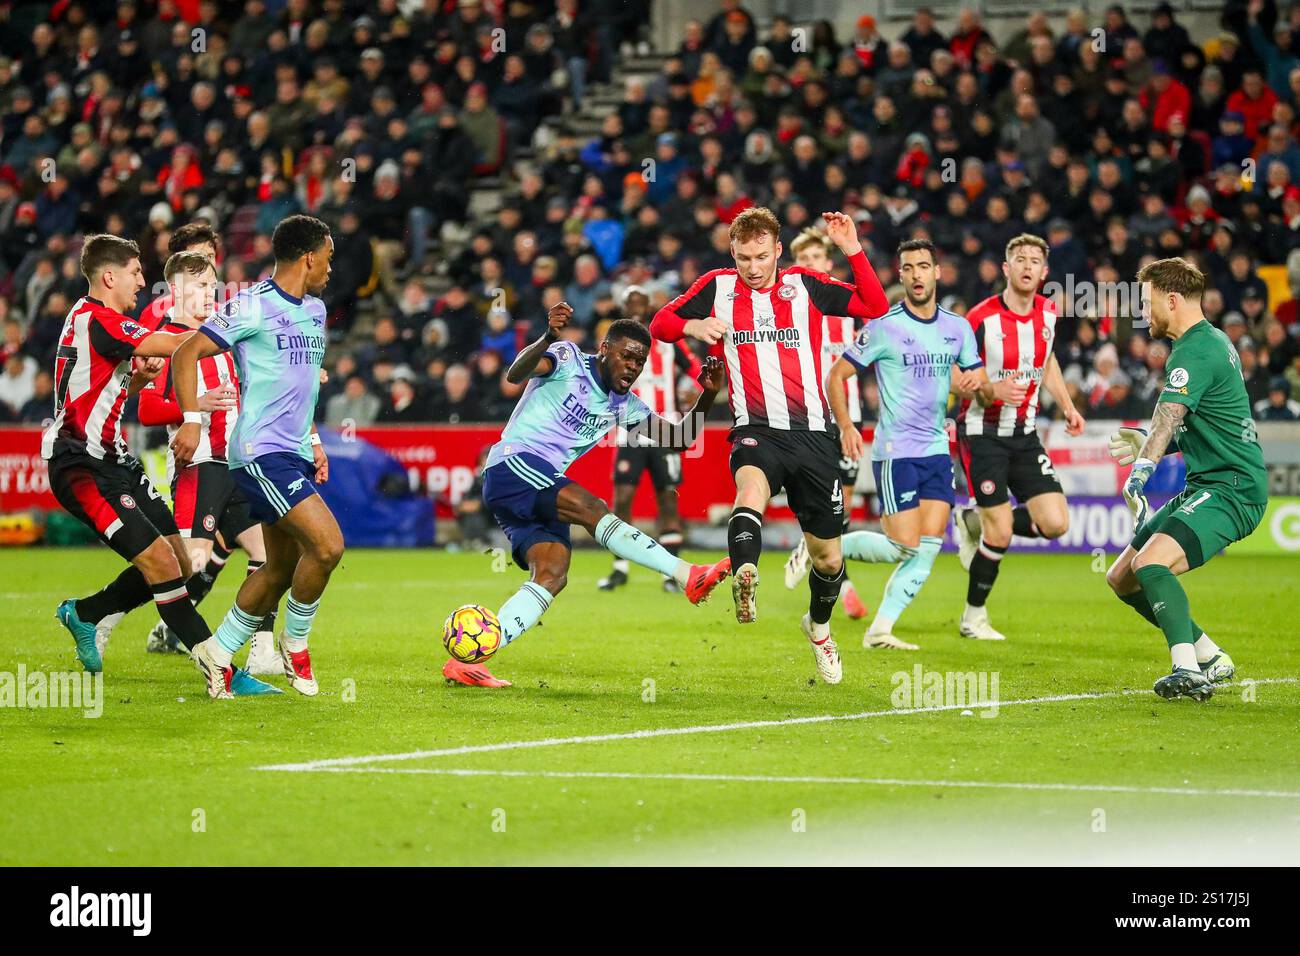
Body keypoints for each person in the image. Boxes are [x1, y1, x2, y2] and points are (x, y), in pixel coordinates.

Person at [651, 207, 891, 684]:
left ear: (779, 250)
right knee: (750, 491)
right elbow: (660, 324)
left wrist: (852, 249)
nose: (754, 267)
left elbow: (875, 305)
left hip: (815, 434)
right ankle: (746, 575)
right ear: (732, 254)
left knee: (828, 557)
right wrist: (694, 328)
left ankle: (819, 629)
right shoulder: (717, 287)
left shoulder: (805, 284)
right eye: (744, 258)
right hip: (755, 429)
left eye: (762, 256)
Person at [459, 303, 732, 688]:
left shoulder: (625, 405)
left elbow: (680, 438)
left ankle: (475, 655)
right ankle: (687, 574)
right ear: (604, 349)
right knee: (593, 508)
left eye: (640, 361)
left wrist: (707, 396)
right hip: (512, 466)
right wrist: (549, 337)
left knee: (553, 573)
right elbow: (515, 373)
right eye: (626, 356)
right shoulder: (567, 358)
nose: (633, 367)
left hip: (539, 483)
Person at [170, 215, 339, 700]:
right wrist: (191, 419)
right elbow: (186, 354)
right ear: (309, 256)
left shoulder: (317, 311)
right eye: (328, 256)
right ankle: (296, 641)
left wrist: (313, 442)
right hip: (259, 452)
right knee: (328, 547)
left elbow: (300, 385)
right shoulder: (252, 305)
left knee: (278, 571)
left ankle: (218, 655)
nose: (331, 267)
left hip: (293, 453)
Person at [45, 235, 222, 680]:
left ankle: (86, 612)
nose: (144, 282)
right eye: (136, 272)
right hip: (81, 466)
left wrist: (138, 380)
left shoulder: (91, 322)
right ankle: (219, 667)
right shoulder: (101, 319)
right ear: (109, 277)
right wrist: (243, 332)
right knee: (162, 563)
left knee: (183, 561)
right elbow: (178, 345)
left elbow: (111, 392)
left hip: (115, 461)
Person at [824, 239, 1016, 649]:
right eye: (908, 268)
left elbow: (980, 391)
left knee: (927, 548)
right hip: (896, 452)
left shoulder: (957, 328)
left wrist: (978, 387)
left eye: (923, 266)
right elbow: (835, 376)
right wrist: (846, 426)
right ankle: (821, 546)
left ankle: (879, 631)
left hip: (934, 449)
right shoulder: (884, 327)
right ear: (901, 275)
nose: (916, 275)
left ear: (937, 273)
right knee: (901, 546)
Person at [1105, 257, 1268, 701]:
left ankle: (1186, 668)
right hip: (1208, 484)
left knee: (1151, 564)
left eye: (1148, 302)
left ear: (1172, 300)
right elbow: (1195, 422)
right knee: (1122, 577)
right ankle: (1210, 657)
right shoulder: (1211, 341)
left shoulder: (1196, 349)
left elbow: (1169, 414)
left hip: (1232, 488)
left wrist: (1140, 473)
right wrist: (1147, 440)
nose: (1144, 313)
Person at [134, 250, 280, 675]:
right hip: (200, 466)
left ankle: (262, 650)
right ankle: (106, 610)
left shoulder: (220, 337)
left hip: (236, 466)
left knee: (269, 553)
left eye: (211, 286)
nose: (207, 294)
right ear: (175, 290)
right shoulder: (167, 341)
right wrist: (193, 406)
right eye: (198, 286)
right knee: (188, 562)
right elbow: (145, 410)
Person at [951, 234, 1086, 641]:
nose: (1027, 266)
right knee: (1002, 533)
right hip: (983, 432)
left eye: (1035, 261)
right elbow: (952, 375)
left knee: (1056, 523)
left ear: (1044, 273)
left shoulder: (1048, 312)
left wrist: (1067, 405)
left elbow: (1046, 361)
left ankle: (973, 519)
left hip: (1024, 434)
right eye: (1019, 259)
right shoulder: (979, 319)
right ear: (1006, 269)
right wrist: (989, 389)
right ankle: (973, 618)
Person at [781, 227, 871, 621]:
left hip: (848, 416)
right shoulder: (794, 306)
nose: (811, 265)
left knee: (842, 507)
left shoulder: (847, 305)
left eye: (817, 258)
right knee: (822, 499)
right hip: (809, 418)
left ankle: (820, 558)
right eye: (804, 261)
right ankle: (836, 577)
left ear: (828, 262)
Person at [597, 285, 701, 594]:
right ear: (624, 308)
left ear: (649, 307)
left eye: (641, 304)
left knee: (668, 500)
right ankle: (620, 569)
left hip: (665, 432)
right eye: (631, 305)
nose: (637, 310)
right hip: (631, 431)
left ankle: (672, 573)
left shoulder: (668, 342)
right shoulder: (616, 344)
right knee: (623, 499)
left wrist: (695, 389)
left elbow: (696, 369)